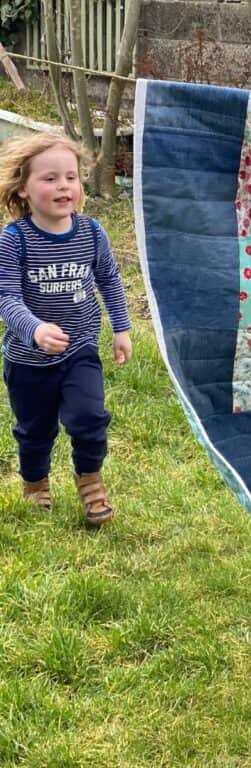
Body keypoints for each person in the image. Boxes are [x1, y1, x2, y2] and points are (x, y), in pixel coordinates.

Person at [0, 132, 132, 525]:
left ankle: (90, 478)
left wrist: (121, 329)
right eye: (50, 178)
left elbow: (109, 279)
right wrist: (35, 330)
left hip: (79, 350)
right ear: (23, 188)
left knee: (89, 418)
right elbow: (6, 297)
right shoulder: (14, 241)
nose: (64, 186)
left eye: (71, 177)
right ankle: (35, 483)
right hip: (28, 359)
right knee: (34, 430)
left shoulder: (91, 233)